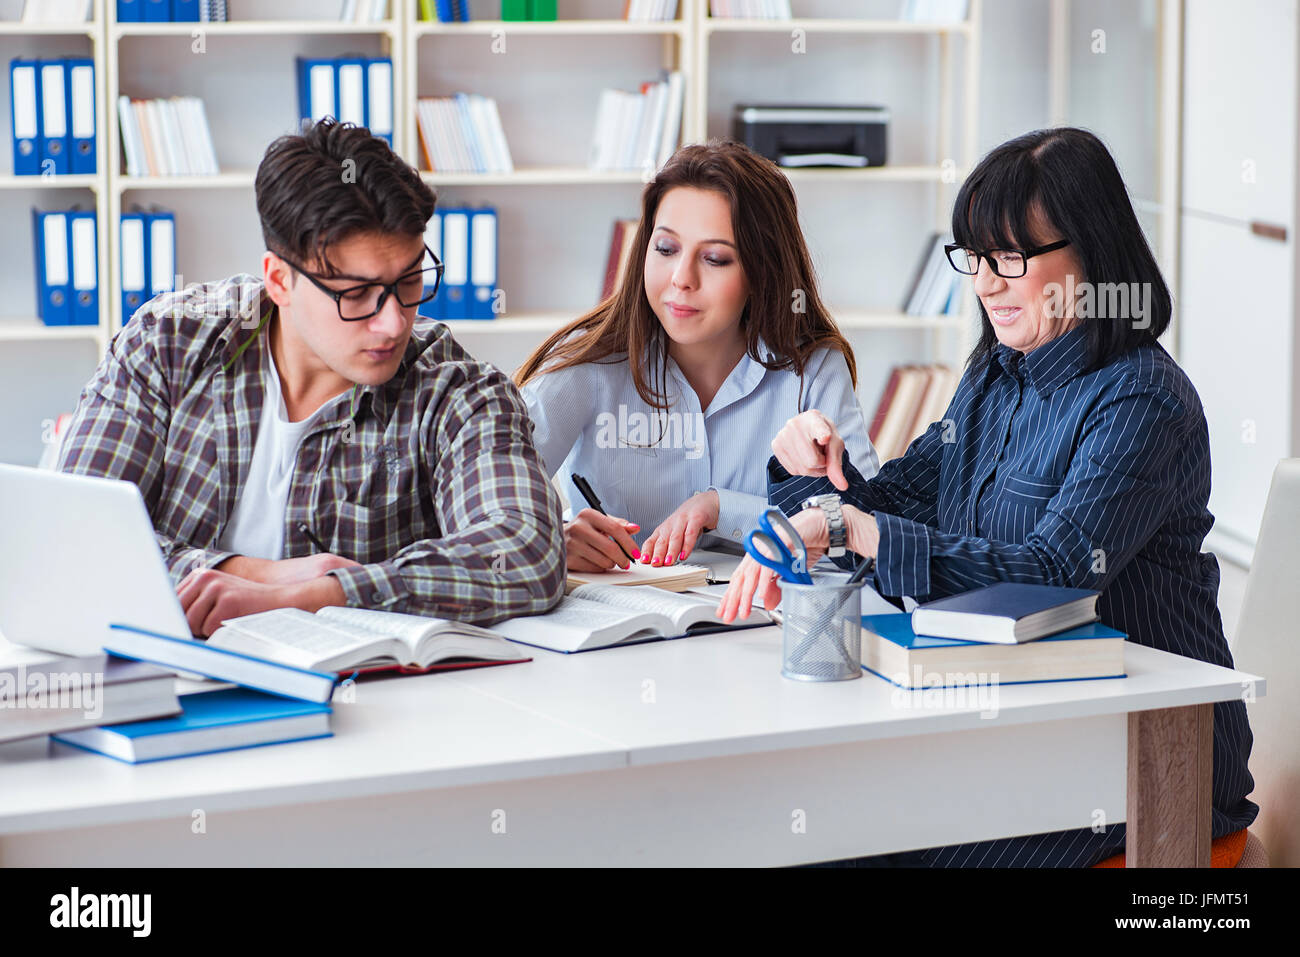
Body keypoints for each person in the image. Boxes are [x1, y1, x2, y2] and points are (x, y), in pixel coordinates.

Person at [718, 127, 1256, 867]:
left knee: (851, 840)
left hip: (1148, 760)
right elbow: (896, 500)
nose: (986, 284)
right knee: (794, 813)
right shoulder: (996, 373)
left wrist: (853, 527)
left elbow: (1053, 573)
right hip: (1014, 722)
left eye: (1010, 259)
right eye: (975, 258)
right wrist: (812, 477)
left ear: (1091, 255)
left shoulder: (1142, 397)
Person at [57, 118, 565, 635]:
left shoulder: (456, 391)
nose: (394, 322)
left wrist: (323, 593)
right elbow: (75, 534)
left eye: (410, 281)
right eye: (356, 294)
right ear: (280, 280)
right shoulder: (168, 343)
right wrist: (252, 576)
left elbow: (525, 550)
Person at [515, 140, 878, 571]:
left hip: (763, 626)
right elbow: (479, 497)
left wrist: (724, 509)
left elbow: (867, 531)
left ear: (763, 270)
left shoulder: (812, 370)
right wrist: (552, 536)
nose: (681, 279)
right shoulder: (589, 365)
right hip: (623, 626)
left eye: (715, 258)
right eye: (666, 250)